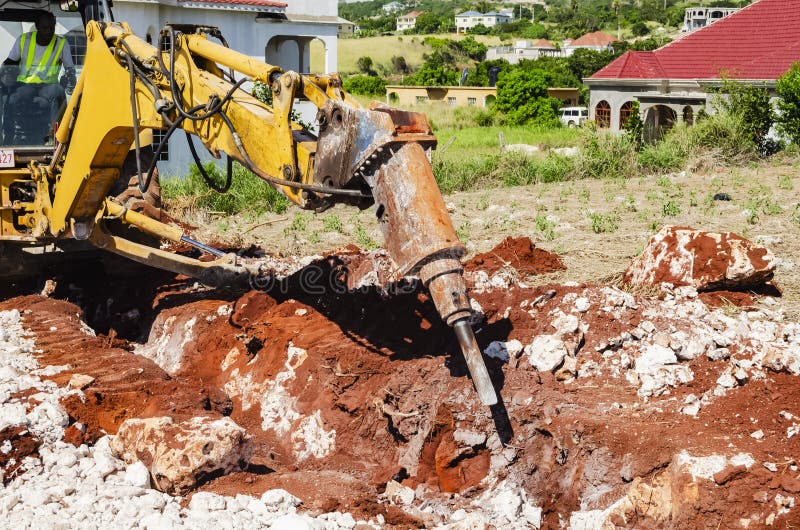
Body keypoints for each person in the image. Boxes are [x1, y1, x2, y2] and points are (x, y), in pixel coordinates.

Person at [1, 11, 76, 144]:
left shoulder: (61, 43)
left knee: (58, 93)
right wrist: (5, 74)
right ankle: (8, 139)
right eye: (44, 28)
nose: (48, 32)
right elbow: (9, 62)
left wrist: (70, 80)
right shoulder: (24, 40)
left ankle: (55, 138)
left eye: (51, 28)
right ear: (37, 27)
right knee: (11, 99)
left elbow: (69, 68)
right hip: (25, 85)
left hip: (48, 86)